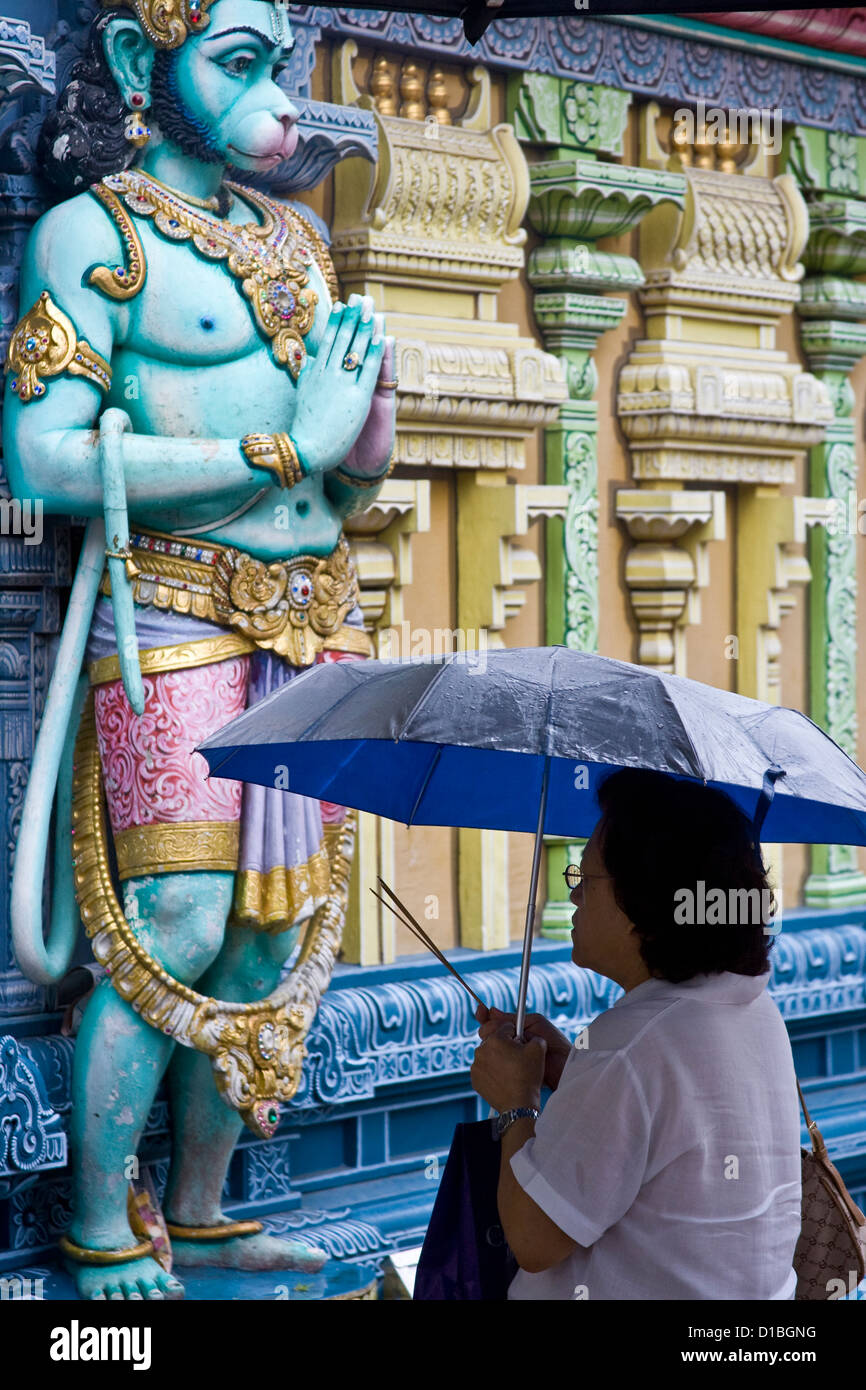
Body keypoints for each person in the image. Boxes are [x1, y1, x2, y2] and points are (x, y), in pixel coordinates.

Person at [470, 768, 803, 1300]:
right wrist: (571, 1068)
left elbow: (535, 1239)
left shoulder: (631, 1045)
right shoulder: (750, 1007)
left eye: (586, 877)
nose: (574, 896)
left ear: (643, 900)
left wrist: (517, 1102)